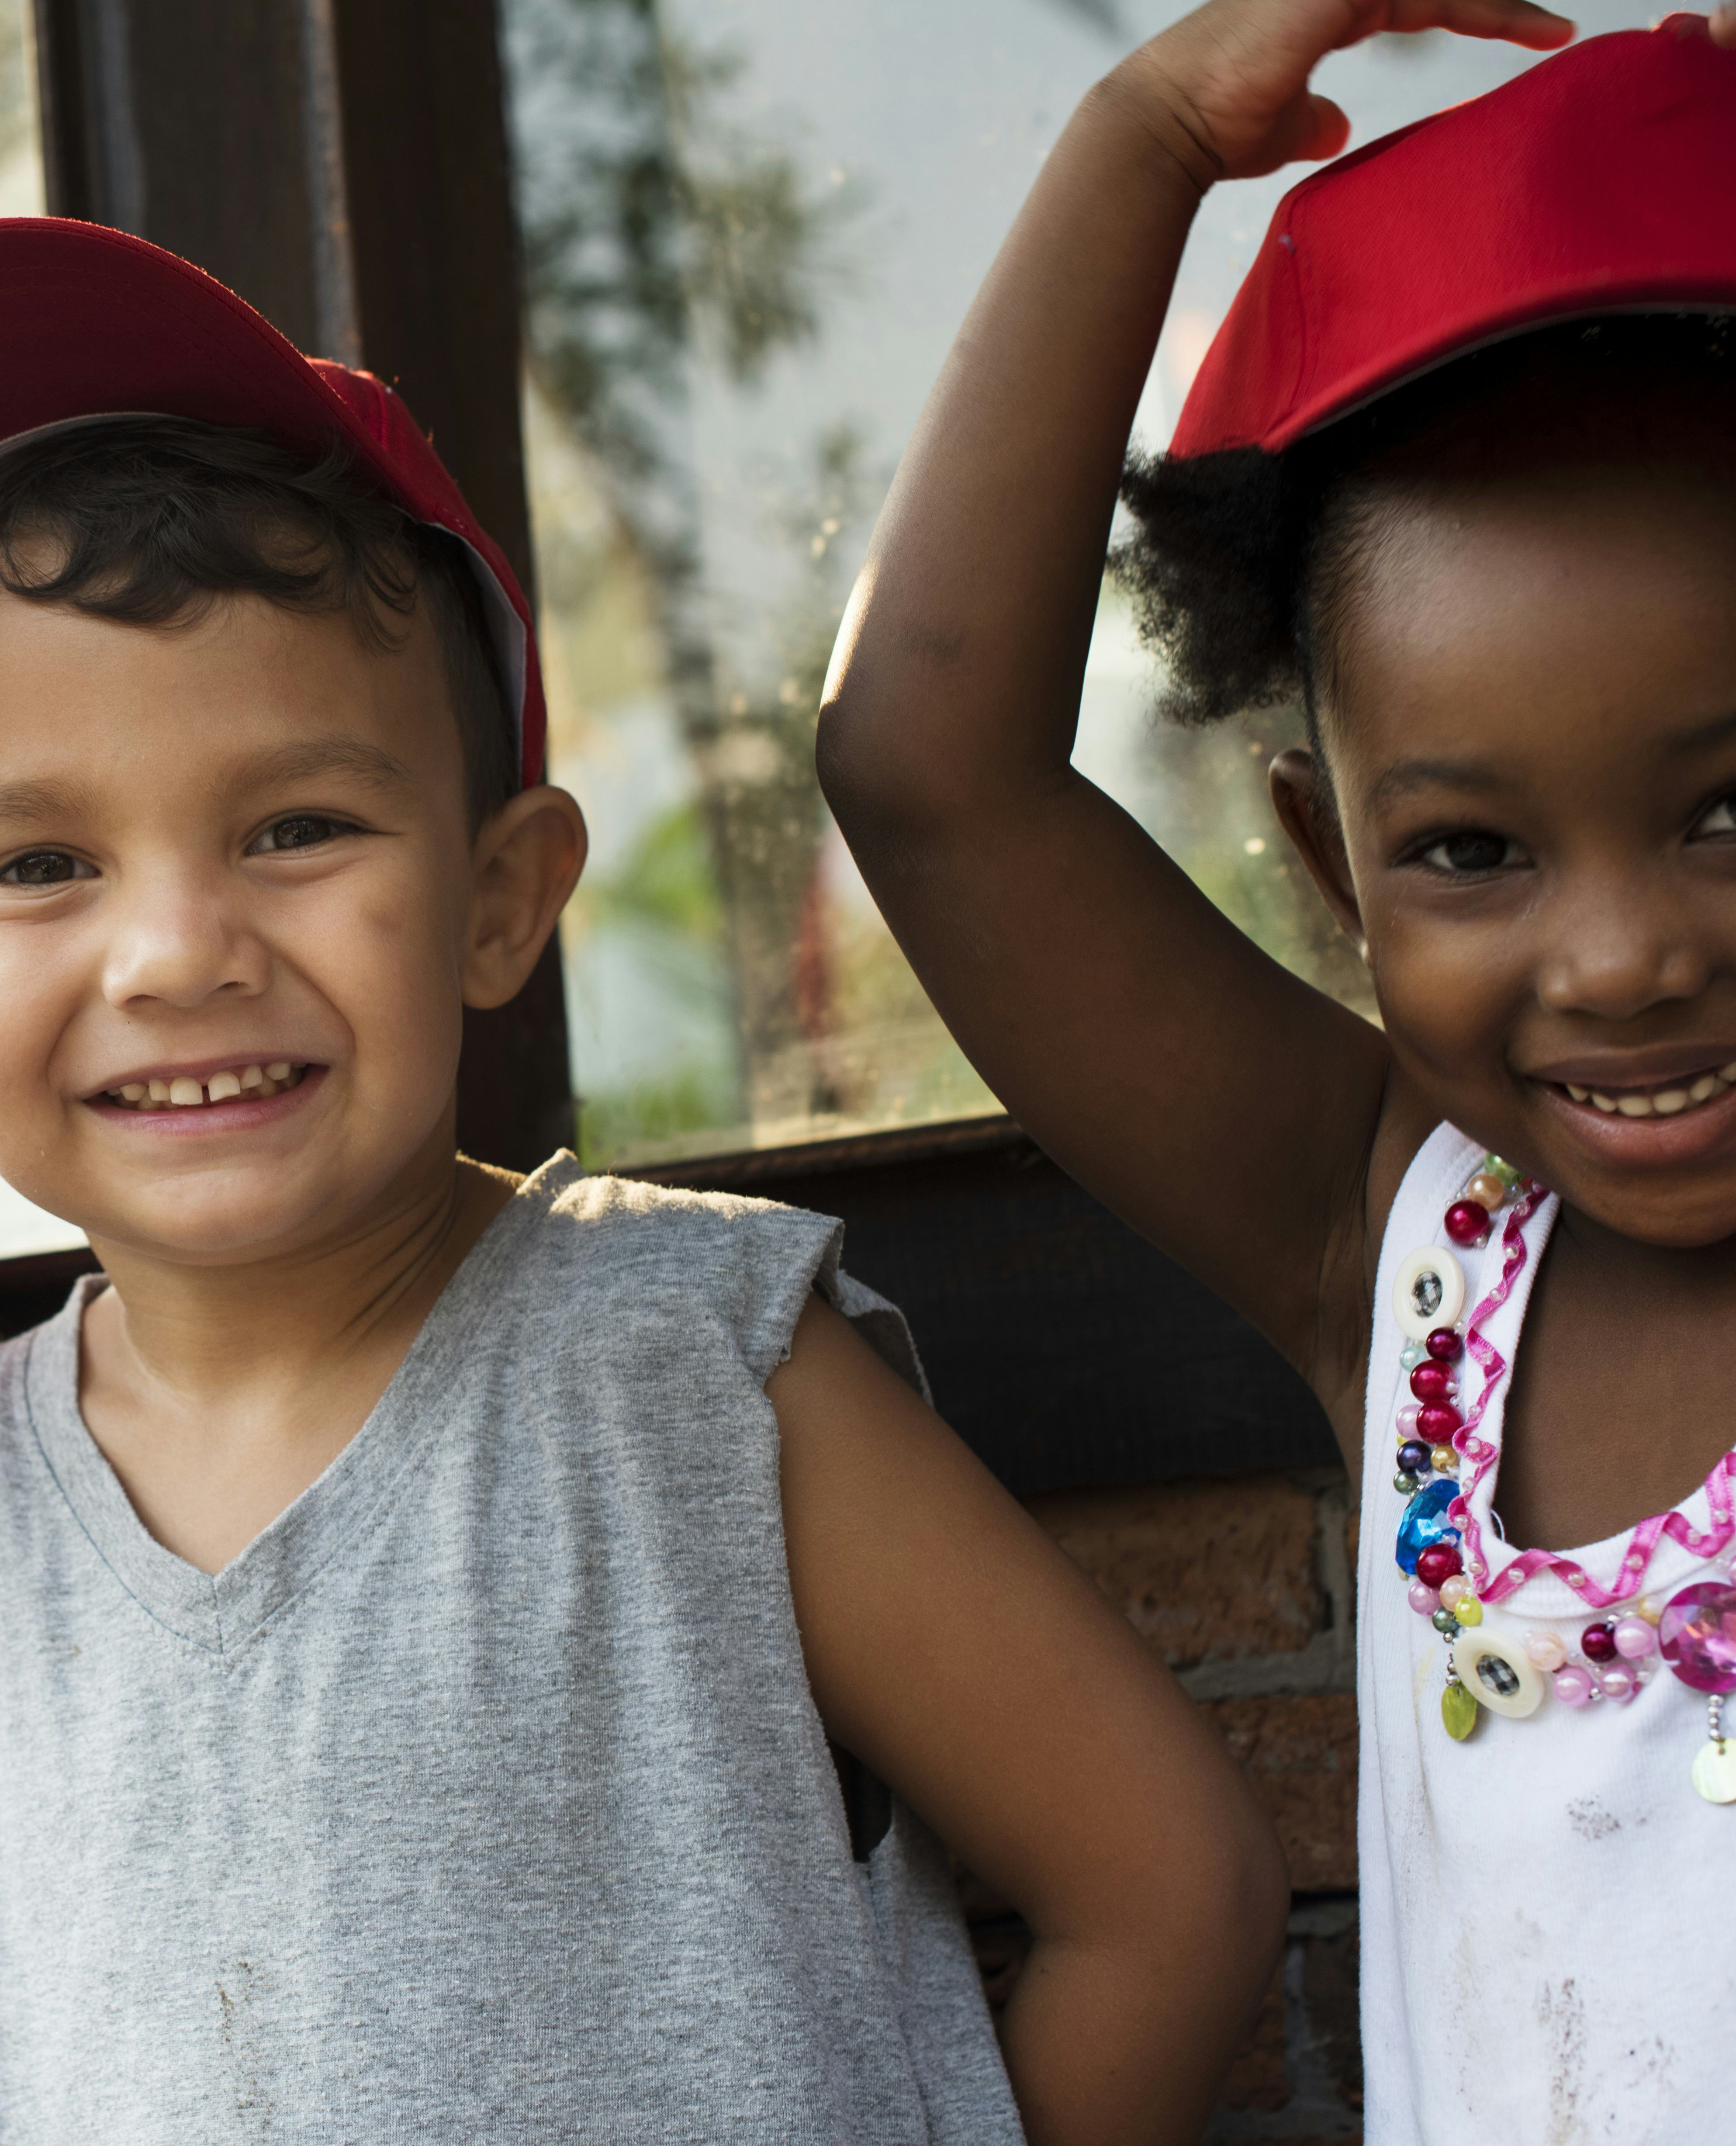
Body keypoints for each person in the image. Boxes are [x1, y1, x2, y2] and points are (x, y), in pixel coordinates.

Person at [0, 219, 1284, 2145]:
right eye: (36, 866)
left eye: (296, 827)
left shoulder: (695, 1370)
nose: (175, 952)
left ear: (503, 897)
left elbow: (1168, 1896)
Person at [816, 7, 1736, 2140]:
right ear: (1328, 866)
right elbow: (923, 768)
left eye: (1726, 809)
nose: (1622, 957)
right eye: (1470, 851)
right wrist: (1141, 133)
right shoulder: (1407, 1249)